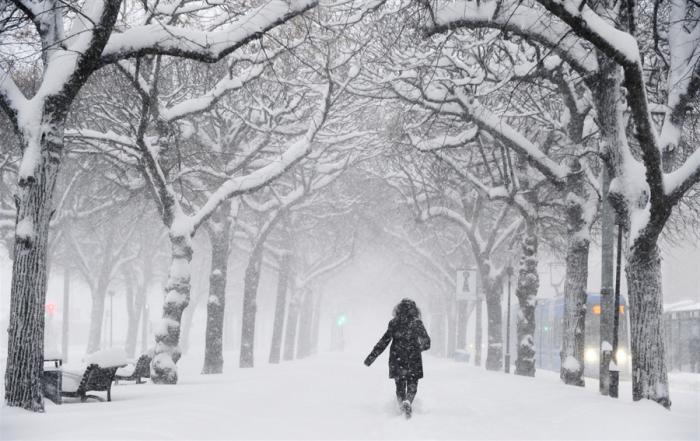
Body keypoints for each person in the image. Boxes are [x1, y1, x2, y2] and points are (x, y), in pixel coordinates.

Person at [364, 298, 431, 418]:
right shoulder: (417, 323)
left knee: (399, 385)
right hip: (413, 359)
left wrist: (371, 357)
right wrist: (418, 348)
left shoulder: (394, 323)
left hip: (397, 358)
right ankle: (408, 402)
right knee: (412, 384)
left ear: (398, 309)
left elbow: (384, 341)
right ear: (415, 310)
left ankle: (401, 405)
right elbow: (427, 343)